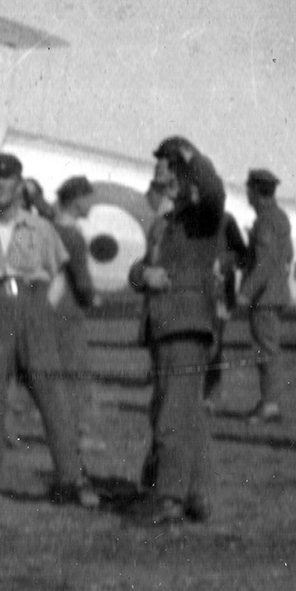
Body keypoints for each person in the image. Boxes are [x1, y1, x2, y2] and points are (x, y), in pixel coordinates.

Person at [0, 153, 97, 511]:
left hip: (33, 309)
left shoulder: (40, 228)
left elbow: (60, 272)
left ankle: (72, 480)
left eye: (7, 179)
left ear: (19, 183)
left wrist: (44, 309)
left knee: (53, 399)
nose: (0, 186)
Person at [126, 135, 225, 526]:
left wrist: (190, 155)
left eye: (168, 165)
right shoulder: (165, 223)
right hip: (164, 326)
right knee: (186, 414)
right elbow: (141, 267)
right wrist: (143, 275)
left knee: (172, 414)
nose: (160, 169)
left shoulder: (203, 217)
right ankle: (197, 495)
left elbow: (213, 190)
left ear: (184, 175)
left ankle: (168, 499)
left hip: (186, 325)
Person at [236, 168, 293, 423]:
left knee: (266, 350)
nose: (247, 194)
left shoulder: (266, 221)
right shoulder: (279, 217)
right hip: (275, 293)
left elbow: (265, 262)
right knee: (267, 349)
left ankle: (270, 404)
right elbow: (287, 254)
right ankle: (270, 401)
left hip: (264, 297)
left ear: (256, 192)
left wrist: (246, 292)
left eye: (249, 189)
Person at [52, 176, 103, 451]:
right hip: (69, 312)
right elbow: (82, 280)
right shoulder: (73, 236)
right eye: (88, 198)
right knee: (76, 373)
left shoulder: (49, 228)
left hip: (46, 308)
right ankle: (80, 433)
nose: (92, 204)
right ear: (76, 201)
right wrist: (93, 299)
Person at [202, 211, 247, 412]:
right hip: (190, 293)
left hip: (219, 296)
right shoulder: (184, 218)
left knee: (213, 345)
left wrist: (223, 261)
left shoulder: (227, 220)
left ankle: (210, 395)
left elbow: (242, 254)